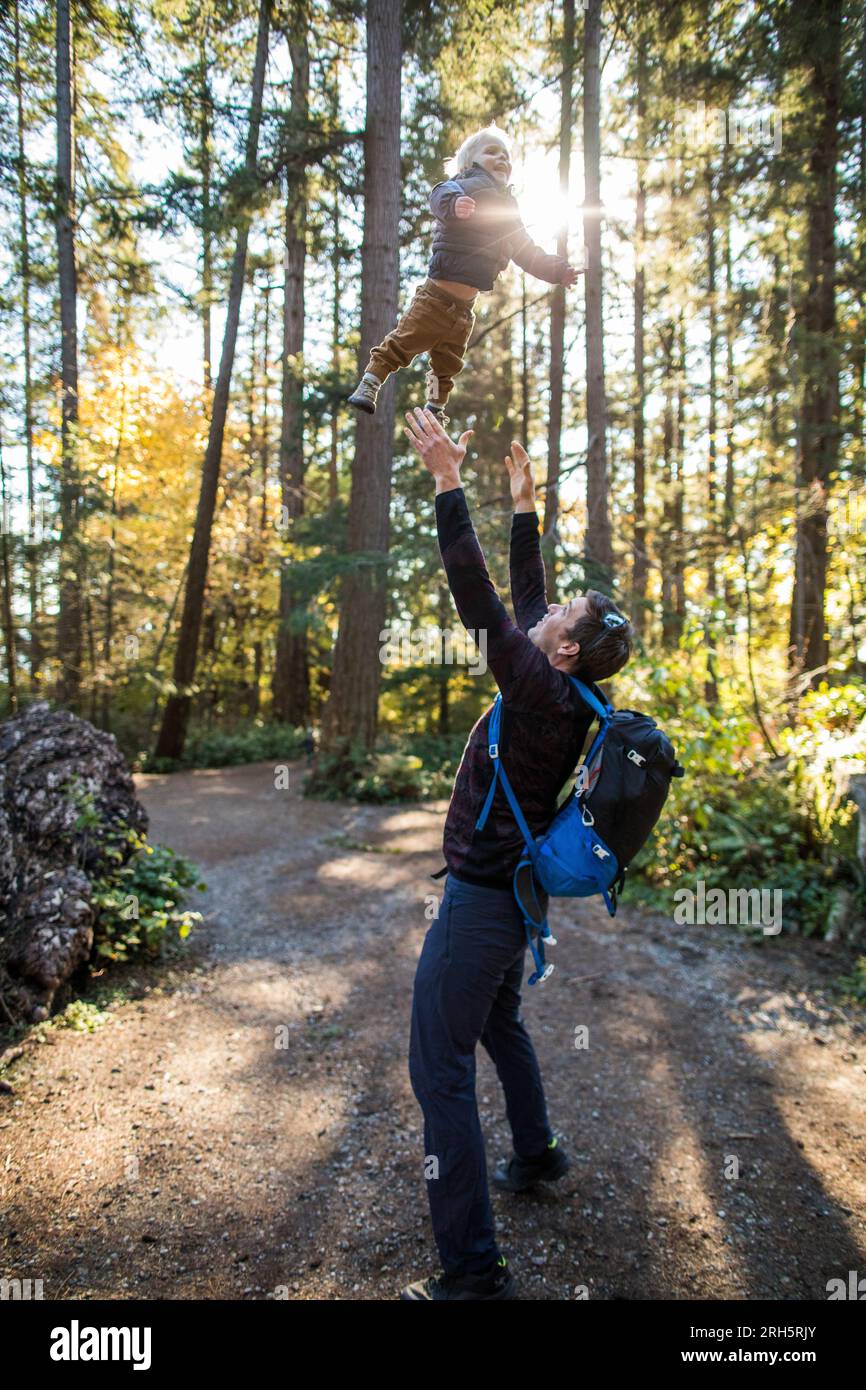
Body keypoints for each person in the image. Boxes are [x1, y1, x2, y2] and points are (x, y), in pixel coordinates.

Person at [399, 408, 633, 1301]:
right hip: (514, 898)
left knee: (439, 1067)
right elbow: (529, 603)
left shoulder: (535, 679)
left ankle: (471, 1273)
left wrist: (446, 482)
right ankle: (536, 1154)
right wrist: (525, 507)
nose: (553, 608)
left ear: (565, 648)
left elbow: (483, 603)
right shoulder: (567, 688)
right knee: (500, 1023)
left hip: (482, 898)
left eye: (566, 614)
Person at [347, 126, 582, 425]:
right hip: (435, 299)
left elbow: (527, 251)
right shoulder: (463, 184)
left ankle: (434, 409)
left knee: (447, 365)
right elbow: (438, 194)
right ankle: (370, 382)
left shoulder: (509, 210)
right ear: (471, 162)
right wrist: (453, 205)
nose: (501, 158)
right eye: (492, 152)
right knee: (403, 344)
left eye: (506, 156)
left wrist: (558, 270)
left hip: (463, 310)